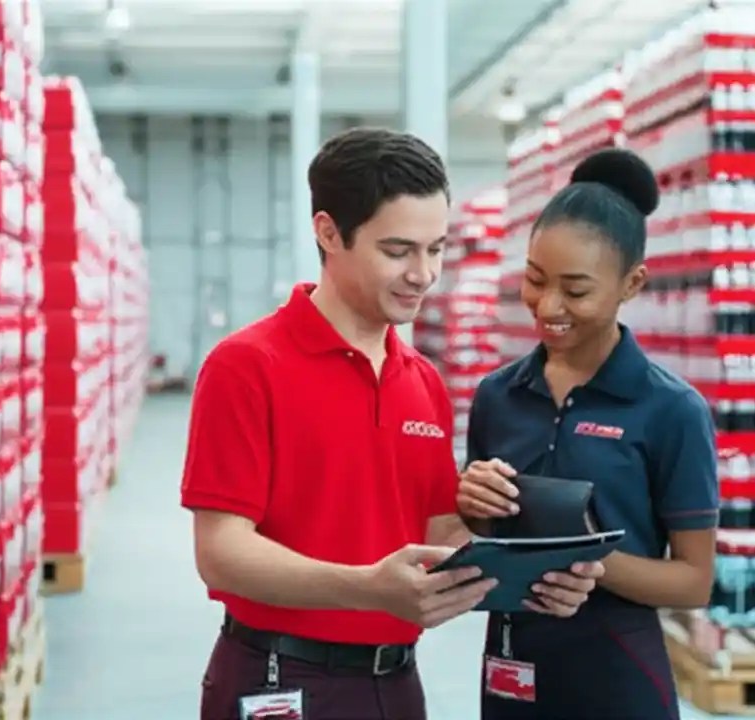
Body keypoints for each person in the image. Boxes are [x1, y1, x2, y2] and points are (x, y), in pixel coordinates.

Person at [180, 127, 606, 720]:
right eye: (398, 250)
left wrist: (536, 575)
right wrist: (366, 588)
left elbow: (437, 537)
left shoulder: (422, 382)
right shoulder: (247, 366)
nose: (424, 274)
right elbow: (221, 552)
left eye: (436, 249)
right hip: (281, 682)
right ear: (329, 232)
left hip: (396, 684)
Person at [456, 148, 719, 719]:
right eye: (534, 279)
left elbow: (693, 582)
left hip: (617, 675)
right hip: (511, 669)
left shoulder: (672, 410)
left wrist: (587, 562)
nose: (548, 306)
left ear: (632, 284)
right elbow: (480, 536)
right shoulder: (497, 397)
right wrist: (470, 505)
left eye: (575, 291)